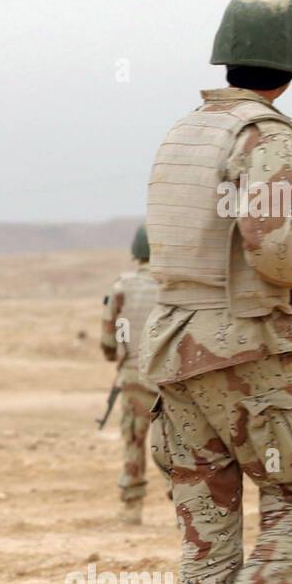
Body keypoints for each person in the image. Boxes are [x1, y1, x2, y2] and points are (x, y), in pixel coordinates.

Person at [140, 0, 292, 584]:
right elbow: (273, 250)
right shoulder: (266, 135)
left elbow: (218, 253)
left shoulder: (184, 133)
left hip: (175, 354)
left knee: (208, 515)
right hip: (247, 354)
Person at [100, 224, 168, 524]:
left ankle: (132, 507)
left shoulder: (121, 287)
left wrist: (116, 356)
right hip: (171, 379)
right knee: (178, 446)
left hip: (134, 376)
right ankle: (184, 506)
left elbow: (108, 337)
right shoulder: (174, 284)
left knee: (133, 441)